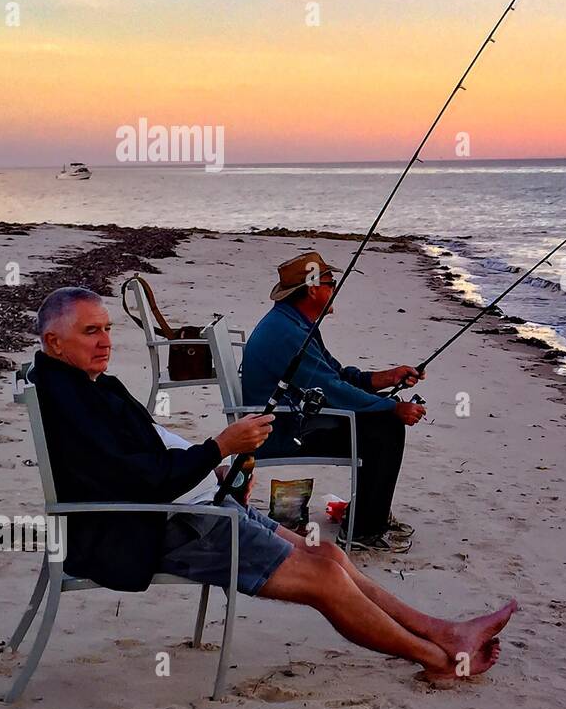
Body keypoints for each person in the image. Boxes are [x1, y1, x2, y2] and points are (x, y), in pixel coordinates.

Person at [30, 286, 513, 678]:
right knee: (324, 579)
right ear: (54, 343)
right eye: (90, 332)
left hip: (181, 508)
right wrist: (220, 446)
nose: (105, 341)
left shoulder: (91, 386)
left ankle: (445, 634)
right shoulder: (70, 402)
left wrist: (216, 468)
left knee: (328, 553)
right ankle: (438, 661)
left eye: (108, 329)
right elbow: (145, 482)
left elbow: (144, 463)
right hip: (147, 530)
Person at [241, 251, 427, 551]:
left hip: (288, 419)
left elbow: (336, 375)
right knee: (386, 427)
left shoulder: (292, 323)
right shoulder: (289, 333)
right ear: (313, 288)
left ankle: (367, 515)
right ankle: (364, 531)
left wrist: (387, 378)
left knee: (380, 418)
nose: (334, 289)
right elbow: (333, 391)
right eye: (331, 282)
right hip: (280, 433)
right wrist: (394, 407)